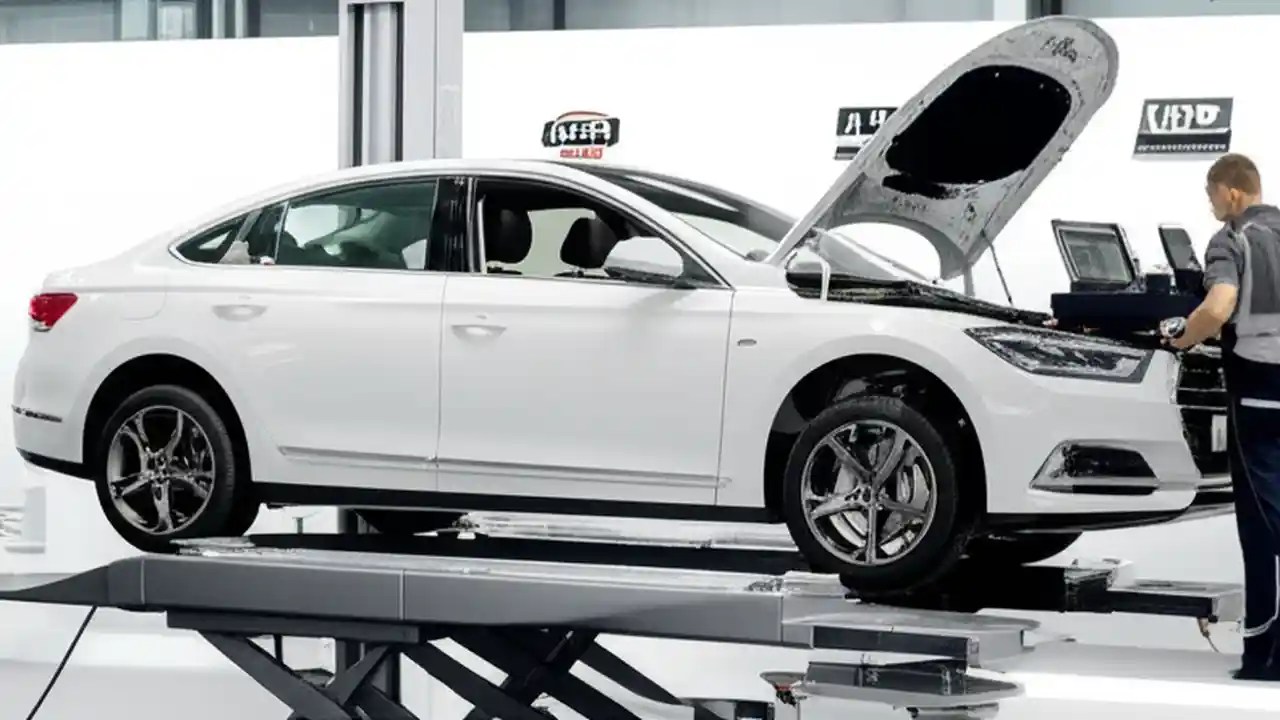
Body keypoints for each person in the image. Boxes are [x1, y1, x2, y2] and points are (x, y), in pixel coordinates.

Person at [1166, 152, 1280, 681]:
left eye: (1211, 193)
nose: (1210, 203)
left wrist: (1180, 338)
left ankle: (1270, 655)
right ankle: (1265, 653)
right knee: (1266, 523)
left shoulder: (1232, 238)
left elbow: (1218, 307)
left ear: (1231, 192)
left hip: (1260, 391)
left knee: (1267, 524)